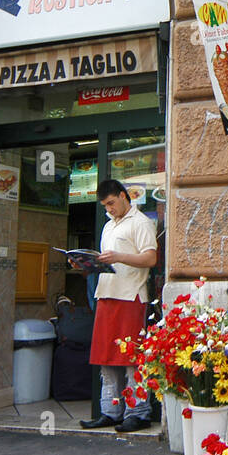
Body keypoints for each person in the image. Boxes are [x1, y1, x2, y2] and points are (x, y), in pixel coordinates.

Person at [78, 179, 157, 433]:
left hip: (131, 295)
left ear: (124, 196)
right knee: (106, 358)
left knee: (131, 358)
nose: (109, 209)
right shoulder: (108, 226)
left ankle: (138, 411)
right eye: (105, 205)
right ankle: (110, 411)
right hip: (107, 294)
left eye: (111, 203)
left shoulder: (141, 222)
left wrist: (119, 256)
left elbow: (151, 257)